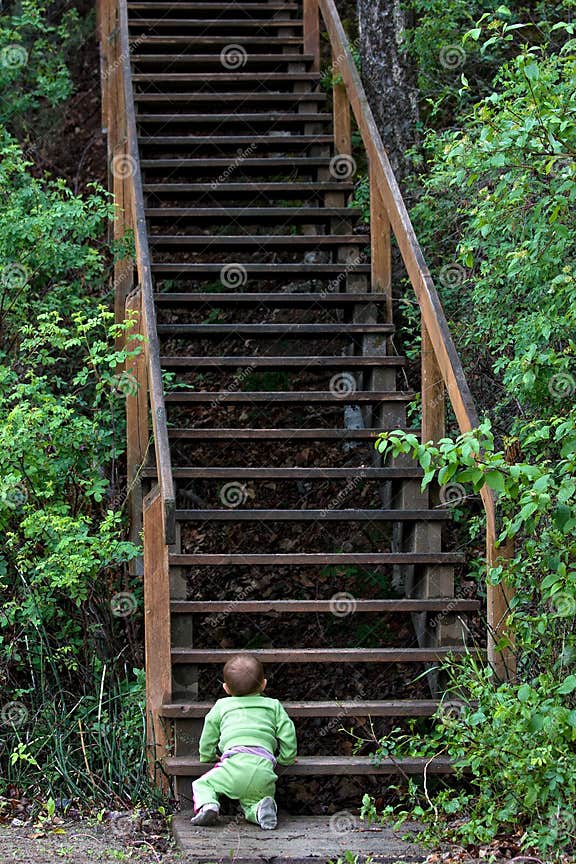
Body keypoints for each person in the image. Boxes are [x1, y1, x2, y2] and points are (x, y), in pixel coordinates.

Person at [190, 654, 297, 830]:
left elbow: (209, 733)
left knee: (202, 784)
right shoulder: (273, 705)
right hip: (264, 768)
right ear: (264, 684)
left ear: (225, 688)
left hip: (234, 765)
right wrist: (286, 758)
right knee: (252, 800)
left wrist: (207, 756)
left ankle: (208, 805)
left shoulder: (222, 706)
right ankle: (260, 810)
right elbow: (288, 732)